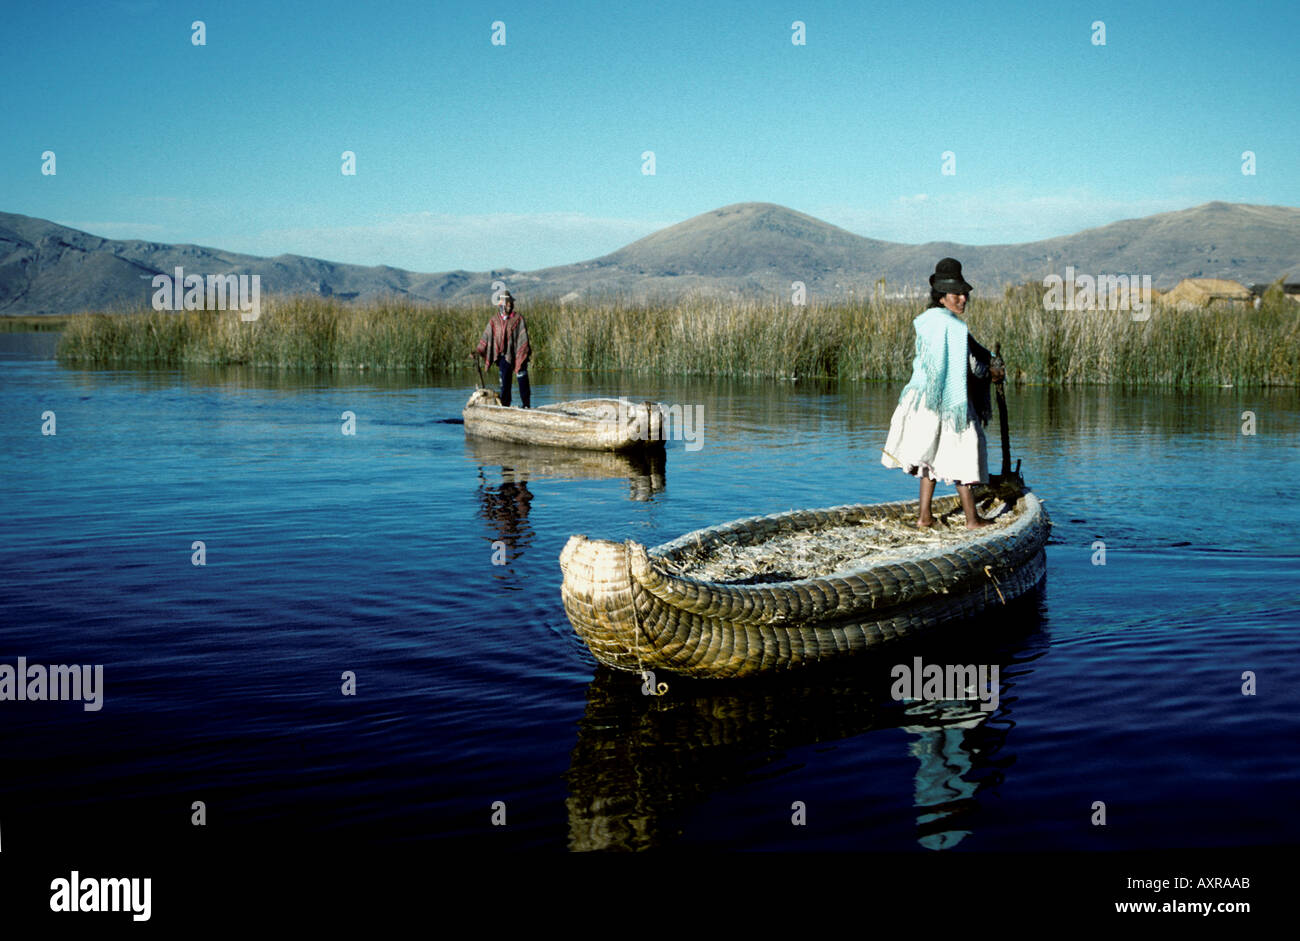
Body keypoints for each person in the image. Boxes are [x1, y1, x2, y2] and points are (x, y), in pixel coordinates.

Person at [881, 258, 1006, 529]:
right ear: (942, 296)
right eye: (956, 295)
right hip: (950, 402)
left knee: (931, 456)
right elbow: (972, 366)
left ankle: (924, 517)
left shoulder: (925, 321)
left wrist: (987, 359)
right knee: (963, 452)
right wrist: (992, 373)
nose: (962, 299)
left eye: (964, 294)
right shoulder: (954, 327)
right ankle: (973, 520)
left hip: (920, 401)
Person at [474, 290, 531, 408]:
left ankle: (526, 405)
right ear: (501, 305)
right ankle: (505, 406)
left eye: (510, 303)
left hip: (518, 355)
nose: (509, 305)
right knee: (505, 383)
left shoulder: (518, 319)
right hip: (503, 357)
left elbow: (523, 337)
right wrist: (478, 350)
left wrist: (523, 353)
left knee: (522, 380)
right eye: (507, 303)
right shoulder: (494, 320)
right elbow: (487, 335)